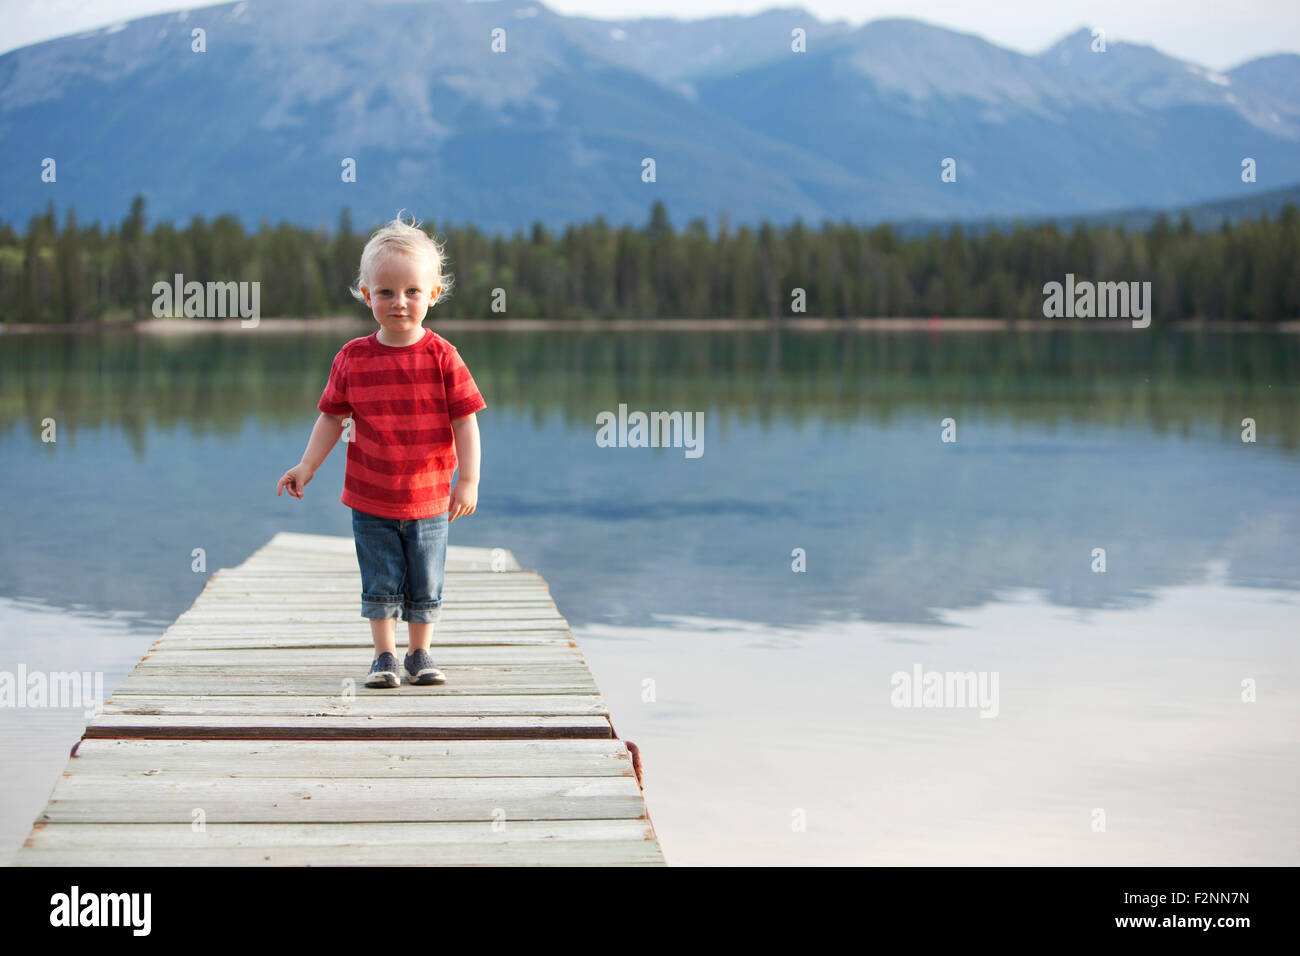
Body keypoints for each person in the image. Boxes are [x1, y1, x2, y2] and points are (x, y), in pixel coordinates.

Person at [276, 211, 485, 688]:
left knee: (425, 580)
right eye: (386, 292)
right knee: (380, 579)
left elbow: (465, 420)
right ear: (367, 295)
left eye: (412, 292)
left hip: (430, 497)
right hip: (370, 498)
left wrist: (468, 480)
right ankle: (385, 655)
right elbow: (331, 416)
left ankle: (420, 652)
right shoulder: (352, 357)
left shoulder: (442, 356)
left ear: (432, 295)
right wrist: (307, 465)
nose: (399, 302)